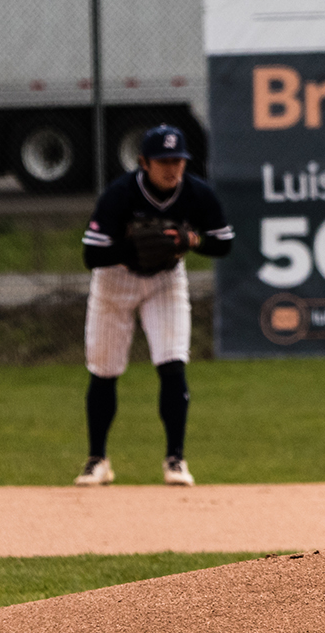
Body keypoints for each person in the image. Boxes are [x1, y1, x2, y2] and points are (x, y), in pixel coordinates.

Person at [73, 125, 234, 486]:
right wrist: (131, 248)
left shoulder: (197, 193)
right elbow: (91, 255)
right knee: (104, 369)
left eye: (178, 160)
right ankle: (97, 460)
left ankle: (175, 460)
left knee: (172, 361)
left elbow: (223, 243)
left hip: (165, 280)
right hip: (115, 280)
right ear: (143, 162)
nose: (171, 168)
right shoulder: (119, 195)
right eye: (163, 161)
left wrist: (193, 240)